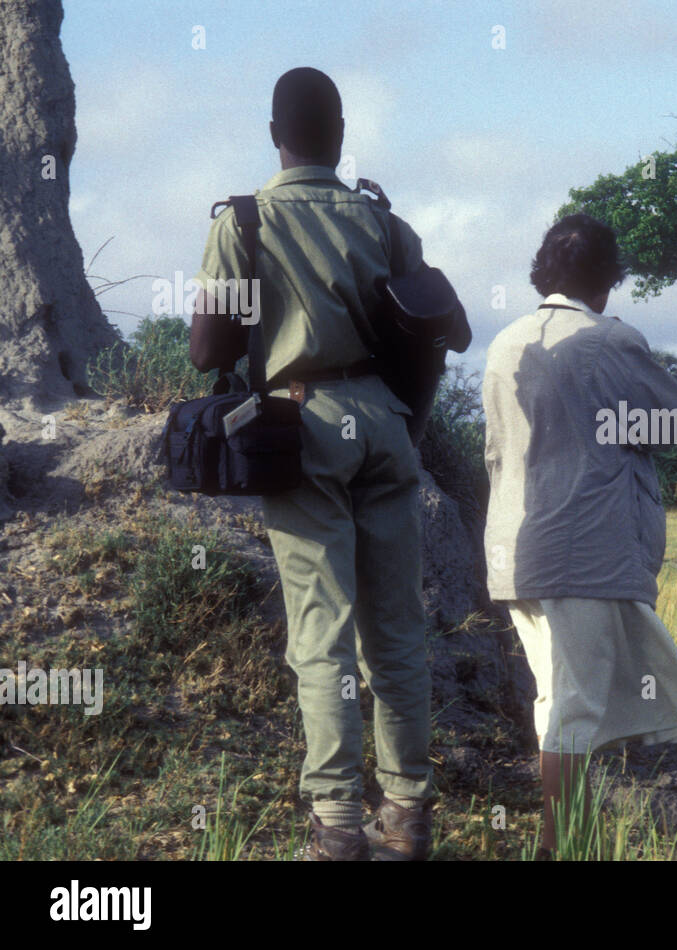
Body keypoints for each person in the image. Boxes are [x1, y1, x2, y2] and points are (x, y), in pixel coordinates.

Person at [189, 67, 433, 861]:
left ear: (274, 136)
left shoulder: (248, 220)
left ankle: (335, 828)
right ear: (340, 136)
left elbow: (208, 352)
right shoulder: (383, 220)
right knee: (396, 629)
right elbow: (425, 331)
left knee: (321, 635)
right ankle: (405, 816)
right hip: (389, 428)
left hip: (305, 428)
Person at [482, 213, 677, 857]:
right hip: (581, 550)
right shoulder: (611, 341)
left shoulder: (504, 344)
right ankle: (562, 846)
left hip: (515, 550)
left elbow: (499, 452)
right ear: (608, 280)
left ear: (542, 272)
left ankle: (565, 839)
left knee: (557, 697)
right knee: (574, 709)